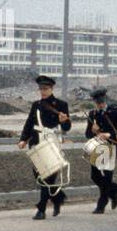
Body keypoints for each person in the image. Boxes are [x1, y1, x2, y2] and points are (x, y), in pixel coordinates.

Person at [18, 74, 72, 220]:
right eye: (41, 89)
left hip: (51, 141)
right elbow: (29, 123)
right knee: (39, 176)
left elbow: (67, 127)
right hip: (36, 142)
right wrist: (23, 139)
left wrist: (64, 120)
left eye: (46, 89)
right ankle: (57, 198)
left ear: (52, 88)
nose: (43, 91)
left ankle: (41, 209)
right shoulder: (36, 105)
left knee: (46, 177)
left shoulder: (61, 105)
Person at [86, 87, 117, 214]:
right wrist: (92, 130)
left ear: (105, 100)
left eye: (102, 102)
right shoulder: (92, 114)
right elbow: (87, 134)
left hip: (110, 147)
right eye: (98, 103)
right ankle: (114, 191)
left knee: (107, 176)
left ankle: (101, 204)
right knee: (95, 176)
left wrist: (109, 135)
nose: (100, 105)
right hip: (97, 148)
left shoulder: (115, 111)